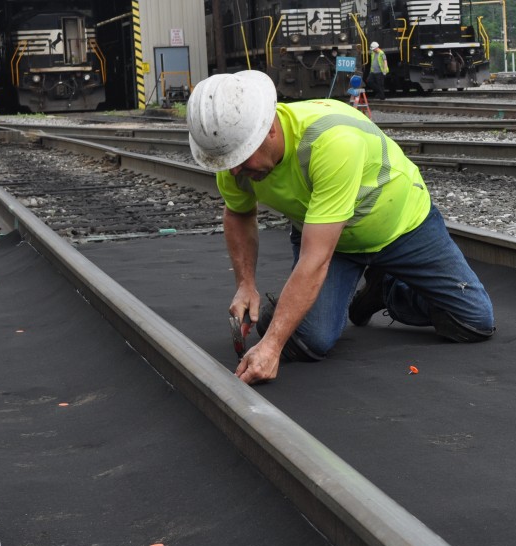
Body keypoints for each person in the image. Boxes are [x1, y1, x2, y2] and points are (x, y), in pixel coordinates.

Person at [186, 70, 494, 384]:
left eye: (241, 157)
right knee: (310, 341)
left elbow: (315, 258)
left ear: (269, 131)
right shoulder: (232, 162)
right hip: (331, 242)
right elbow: (238, 214)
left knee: (474, 323)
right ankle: (305, 306)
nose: (234, 169)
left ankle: (386, 290)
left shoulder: (330, 141)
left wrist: (272, 345)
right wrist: (245, 284)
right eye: (227, 161)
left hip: (404, 226)